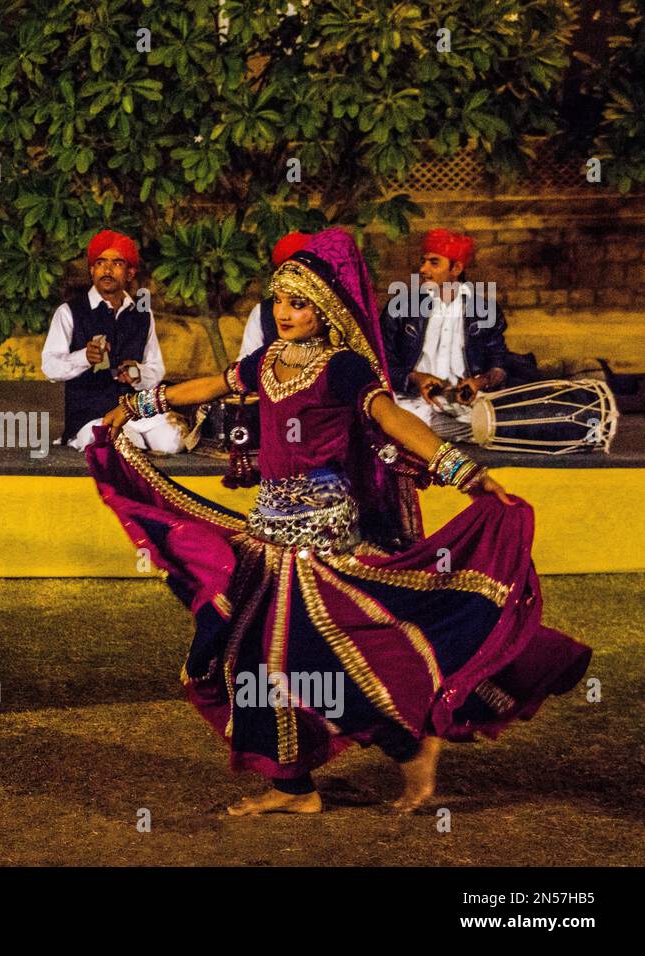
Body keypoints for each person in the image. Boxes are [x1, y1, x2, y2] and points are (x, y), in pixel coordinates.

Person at [88, 228, 590, 814]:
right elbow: (211, 386)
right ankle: (294, 788)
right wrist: (141, 406)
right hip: (268, 533)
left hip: (321, 540)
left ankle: (411, 750)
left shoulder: (345, 369)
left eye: (298, 304)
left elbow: (396, 421)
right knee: (246, 656)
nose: (285, 313)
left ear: (325, 310)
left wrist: (463, 471)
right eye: (279, 301)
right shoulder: (270, 360)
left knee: (325, 654)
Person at [41, 229, 185, 453]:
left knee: (173, 442)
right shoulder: (69, 312)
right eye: (100, 263)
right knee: (121, 444)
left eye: (116, 263)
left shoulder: (142, 314)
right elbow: (50, 367)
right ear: (92, 270)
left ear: (129, 273)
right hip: (91, 414)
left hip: (136, 411)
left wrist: (137, 374)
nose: (107, 270)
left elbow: (156, 369)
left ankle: (139, 442)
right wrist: (83, 358)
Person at [380, 228, 510, 441]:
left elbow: (500, 365)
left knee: (493, 419)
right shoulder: (400, 308)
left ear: (456, 268)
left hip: (465, 405)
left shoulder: (484, 310)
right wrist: (415, 378)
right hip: (412, 401)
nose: (423, 269)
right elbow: (382, 362)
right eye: (423, 262)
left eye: (434, 263)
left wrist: (480, 382)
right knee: (392, 415)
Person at [237, 231, 312, 360]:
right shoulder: (263, 313)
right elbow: (243, 370)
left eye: (298, 304)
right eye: (277, 300)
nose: (281, 315)